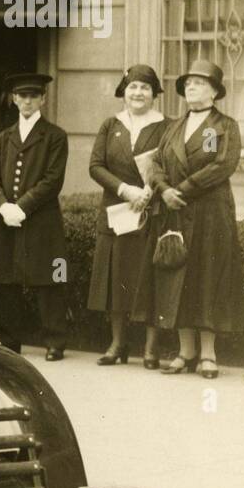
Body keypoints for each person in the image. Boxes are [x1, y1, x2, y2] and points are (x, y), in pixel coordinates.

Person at [133, 59, 244, 380]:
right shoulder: (174, 127)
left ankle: (208, 354)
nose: (191, 87)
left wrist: (180, 190)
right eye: (188, 83)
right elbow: (155, 163)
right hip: (175, 211)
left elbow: (220, 165)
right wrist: (164, 189)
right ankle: (186, 351)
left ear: (214, 92)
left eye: (199, 83)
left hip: (210, 214)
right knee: (177, 276)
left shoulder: (222, 126)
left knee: (208, 277)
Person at [0, 72, 70, 360]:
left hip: (41, 218)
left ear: (43, 99)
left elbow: (52, 180)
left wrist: (22, 207)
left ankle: (55, 341)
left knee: (49, 280)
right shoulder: (3, 137)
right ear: (14, 99)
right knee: (7, 280)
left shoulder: (55, 136)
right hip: (7, 218)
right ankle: (8, 342)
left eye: (34, 95)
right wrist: (3, 207)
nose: (28, 101)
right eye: (22, 96)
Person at [87, 64, 167, 368]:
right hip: (117, 211)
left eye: (145, 87)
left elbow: (171, 165)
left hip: (151, 211)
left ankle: (150, 348)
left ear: (154, 94)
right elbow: (96, 166)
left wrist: (149, 190)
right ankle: (117, 344)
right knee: (116, 278)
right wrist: (125, 190)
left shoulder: (166, 126)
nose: (138, 93)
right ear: (124, 91)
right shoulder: (111, 125)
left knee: (150, 279)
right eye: (133, 86)